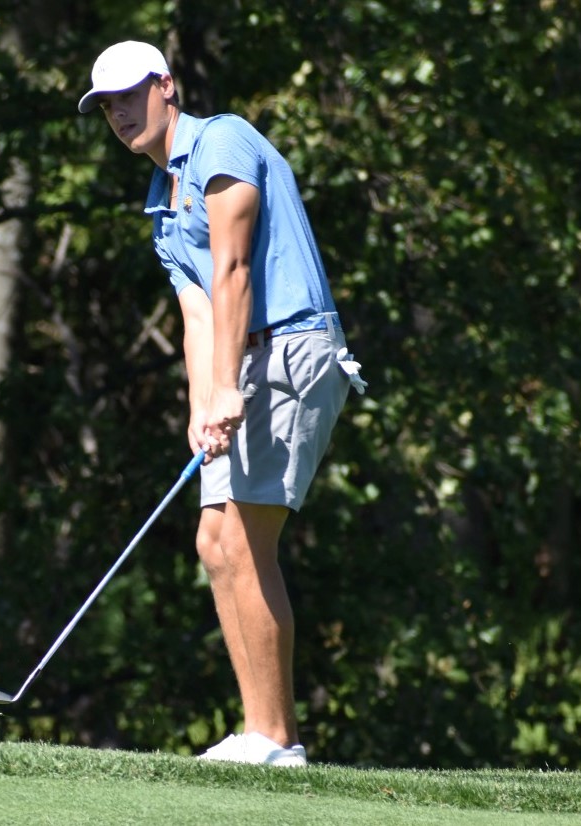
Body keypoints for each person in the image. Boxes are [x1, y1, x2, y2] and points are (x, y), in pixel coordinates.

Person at [77, 40, 367, 768]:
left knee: (245, 539)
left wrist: (229, 384)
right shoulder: (160, 204)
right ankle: (256, 730)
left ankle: (279, 740)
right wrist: (200, 404)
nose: (118, 113)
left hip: (293, 347)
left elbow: (235, 269)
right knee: (214, 543)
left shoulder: (223, 140)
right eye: (105, 105)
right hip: (241, 360)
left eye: (129, 95)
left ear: (166, 86)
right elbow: (198, 313)